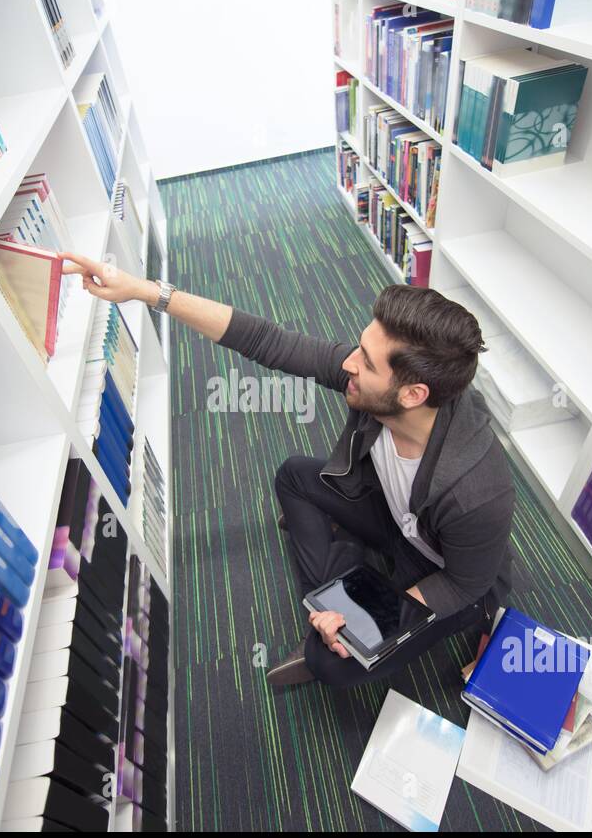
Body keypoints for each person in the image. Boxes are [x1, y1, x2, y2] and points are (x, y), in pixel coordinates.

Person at [61, 253, 515, 690]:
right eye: (360, 347)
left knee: (327, 662)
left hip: (440, 573)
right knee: (294, 475)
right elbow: (269, 341)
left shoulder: (477, 491)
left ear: (414, 394)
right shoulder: (381, 384)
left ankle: (340, 597)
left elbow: (464, 583)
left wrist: (372, 616)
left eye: (367, 363)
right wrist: (146, 292)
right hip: (395, 520)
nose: (348, 364)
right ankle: (338, 594)